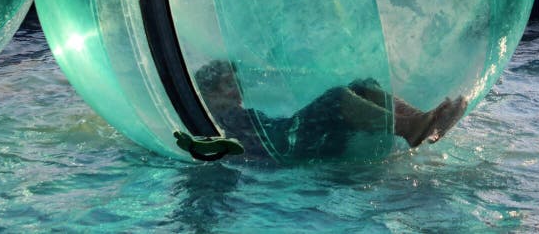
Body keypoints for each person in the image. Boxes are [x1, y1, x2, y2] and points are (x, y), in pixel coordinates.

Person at [194, 60, 468, 160]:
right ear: (207, 94)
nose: (236, 91)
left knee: (361, 86)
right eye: (225, 86)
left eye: (235, 83)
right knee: (337, 97)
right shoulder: (213, 120)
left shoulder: (234, 116)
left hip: (288, 134)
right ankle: (410, 129)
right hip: (286, 144)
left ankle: (418, 119)